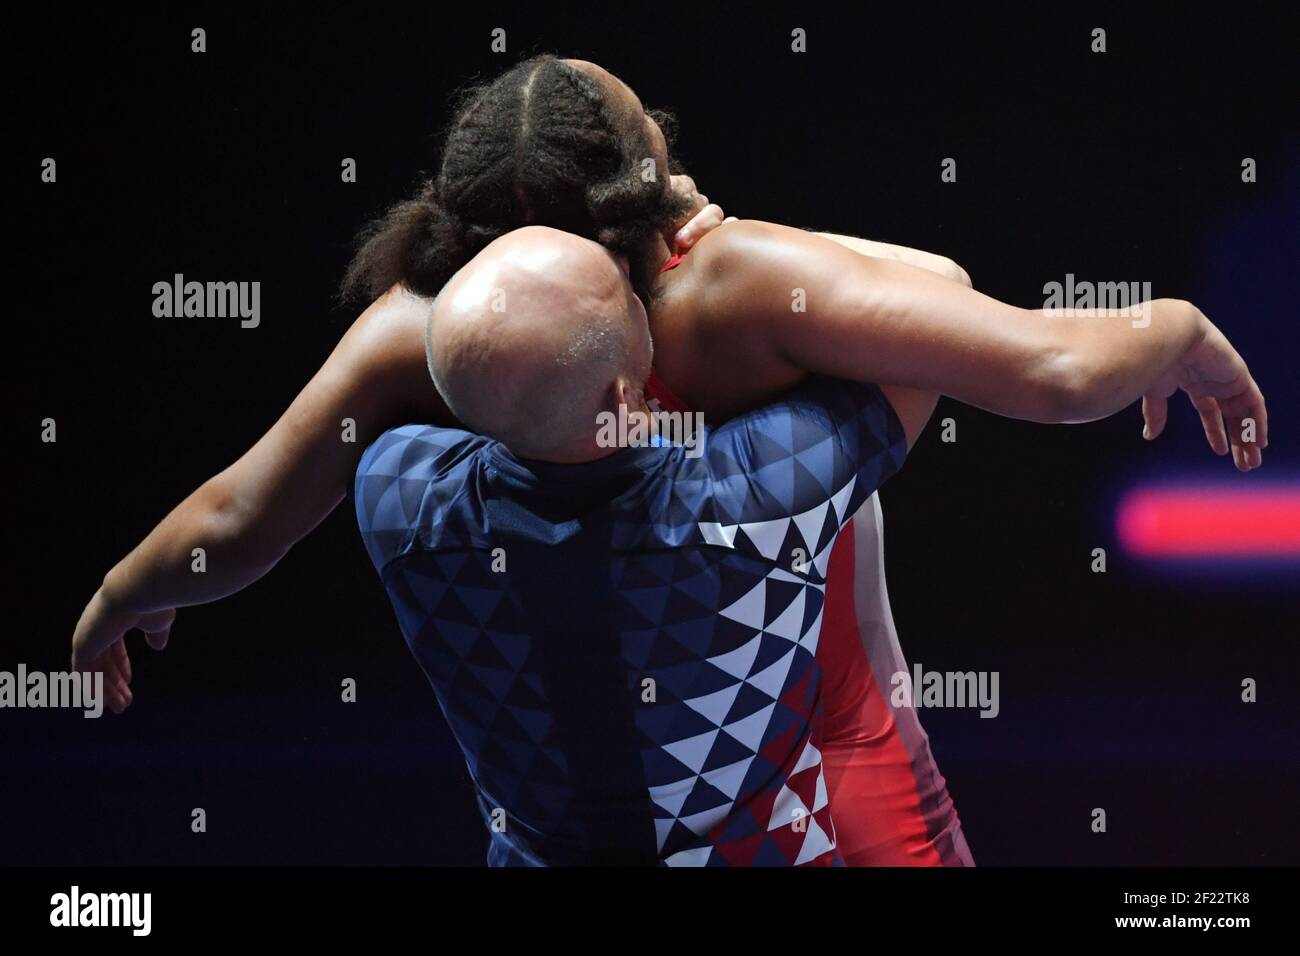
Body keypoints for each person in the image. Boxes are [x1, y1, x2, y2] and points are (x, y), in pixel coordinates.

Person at [71, 55, 1268, 867]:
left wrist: (124, 592)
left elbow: (237, 518)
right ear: (646, 183)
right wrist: (1179, 328)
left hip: (591, 781)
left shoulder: (423, 328)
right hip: (830, 739)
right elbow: (1017, 347)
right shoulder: (731, 285)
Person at [358, 225, 912, 865]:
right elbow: (934, 298)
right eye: (627, 290)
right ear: (623, 397)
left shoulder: (394, 497)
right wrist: (734, 248)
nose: (635, 269)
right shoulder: (763, 493)